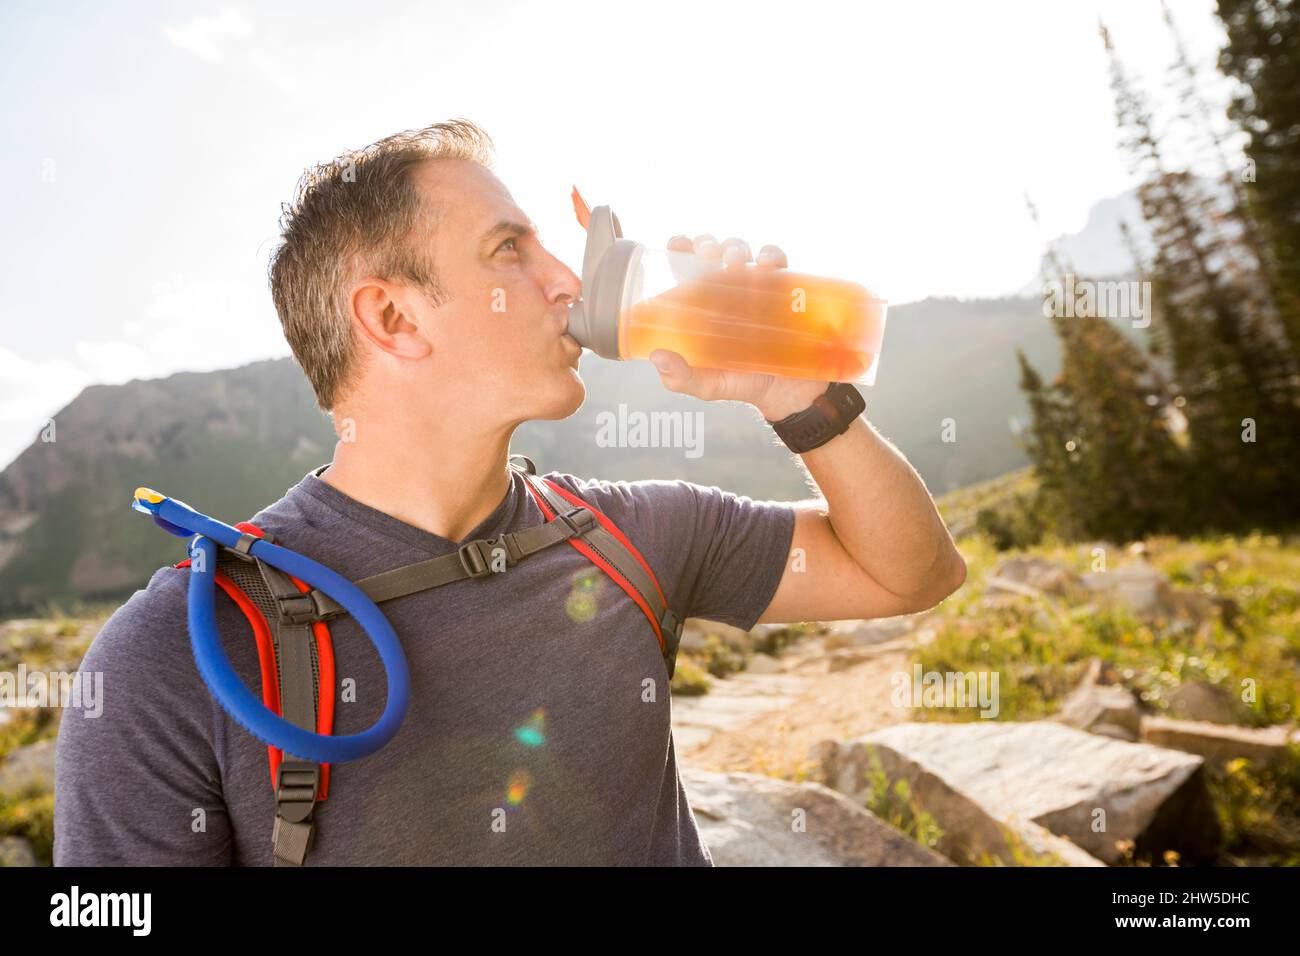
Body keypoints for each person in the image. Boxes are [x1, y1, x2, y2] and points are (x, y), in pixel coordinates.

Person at [53, 118, 965, 866]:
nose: (567, 279)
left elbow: (908, 575)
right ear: (394, 318)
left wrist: (795, 394)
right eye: (509, 249)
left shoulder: (634, 533)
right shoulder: (178, 654)